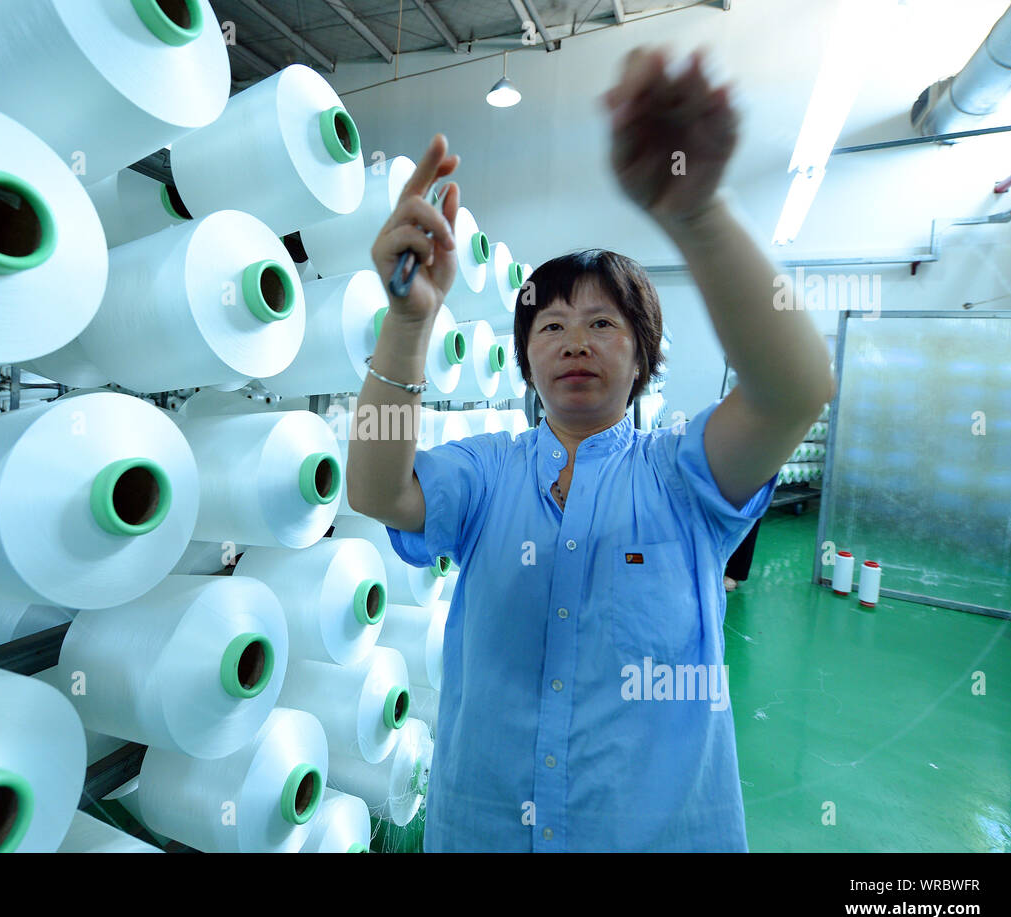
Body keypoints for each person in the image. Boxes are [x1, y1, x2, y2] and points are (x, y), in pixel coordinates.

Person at [347, 47, 836, 852]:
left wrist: (697, 212)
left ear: (642, 358)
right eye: (552, 324)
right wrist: (406, 326)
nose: (576, 339)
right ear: (528, 359)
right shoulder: (487, 470)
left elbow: (794, 388)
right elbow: (376, 488)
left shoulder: (686, 477)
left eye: (603, 322)